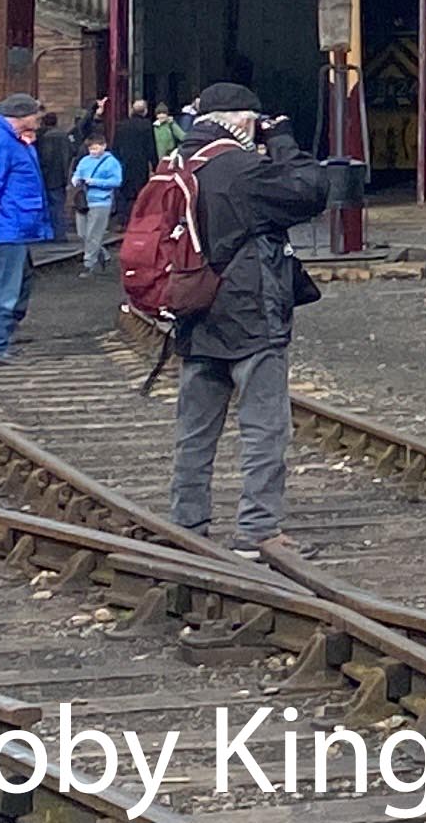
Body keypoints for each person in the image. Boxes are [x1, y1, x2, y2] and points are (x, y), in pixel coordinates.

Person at [164, 83, 328, 558]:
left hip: (194, 310)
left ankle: (186, 523)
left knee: (194, 431)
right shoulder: (239, 167)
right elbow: (310, 188)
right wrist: (282, 141)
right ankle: (258, 531)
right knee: (265, 428)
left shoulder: (177, 162)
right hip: (249, 311)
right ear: (240, 119)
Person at [0, 95, 55, 362]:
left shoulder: (11, 140)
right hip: (9, 226)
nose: (38, 124)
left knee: (15, 284)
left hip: (15, 225)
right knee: (4, 288)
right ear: (22, 115)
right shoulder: (0, 141)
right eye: (35, 118)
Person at [69, 136, 125, 272]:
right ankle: (103, 254)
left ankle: (89, 264)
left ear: (104, 146)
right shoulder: (85, 160)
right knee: (83, 234)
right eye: (90, 149)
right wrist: (75, 179)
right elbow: (77, 173)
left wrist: (95, 182)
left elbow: (116, 181)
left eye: (95, 148)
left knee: (93, 234)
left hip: (101, 201)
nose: (93, 151)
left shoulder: (112, 163)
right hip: (83, 201)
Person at [110, 99, 160, 219]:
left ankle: (122, 219)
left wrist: (115, 161)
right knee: (139, 191)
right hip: (140, 162)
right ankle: (136, 217)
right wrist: (155, 165)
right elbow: (150, 147)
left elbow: (115, 146)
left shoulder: (121, 125)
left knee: (124, 192)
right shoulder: (146, 125)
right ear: (145, 111)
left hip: (124, 161)